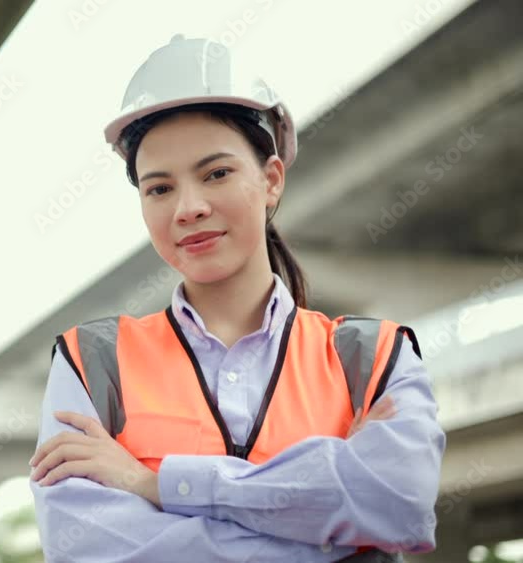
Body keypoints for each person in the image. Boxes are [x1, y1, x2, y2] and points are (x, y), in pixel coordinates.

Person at [27, 36, 446, 563]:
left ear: (271, 180)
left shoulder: (373, 356)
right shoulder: (92, 363)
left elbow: (400, 505)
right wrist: (335, 532)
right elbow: (88, 551)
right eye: (159, 189)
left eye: (216, 173)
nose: (189, 207)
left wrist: (158, 485)